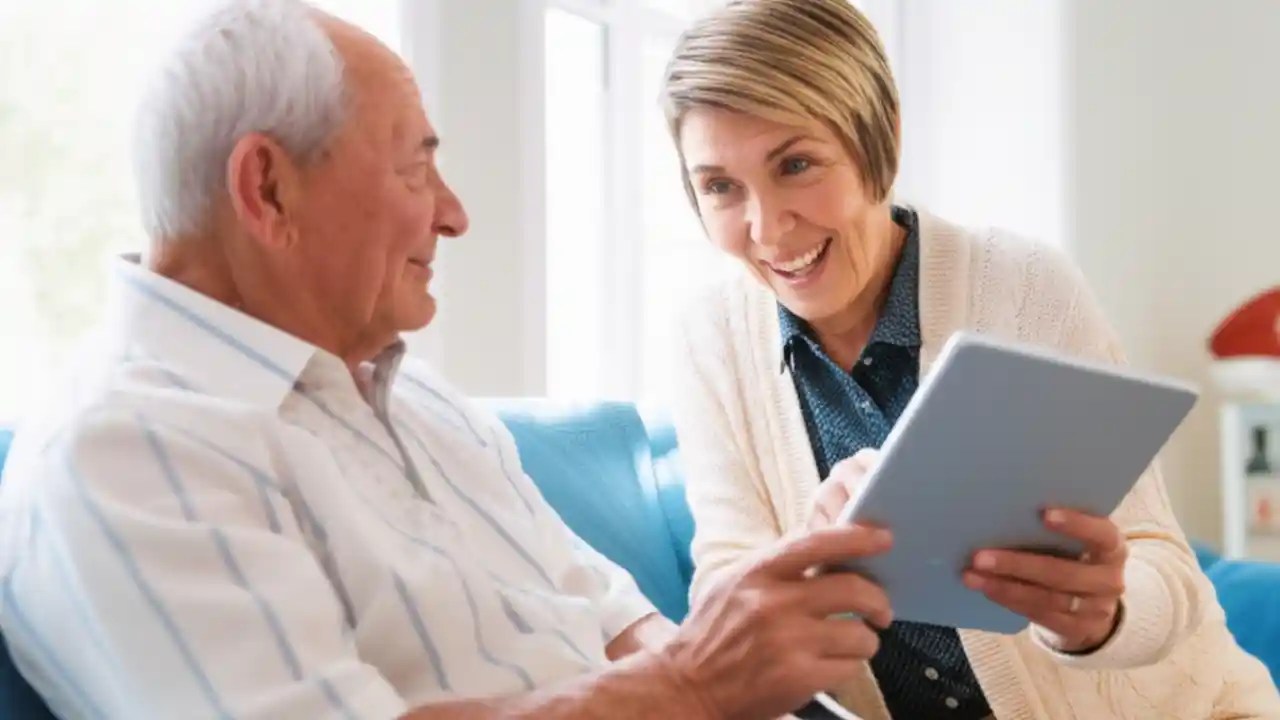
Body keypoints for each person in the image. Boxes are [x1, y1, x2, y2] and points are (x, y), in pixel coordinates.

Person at [0, 1, 897, 718]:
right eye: (414, 170)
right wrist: (695, 689)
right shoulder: (130, 452)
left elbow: (622, 626)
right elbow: (679, 677)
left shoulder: (414, 395)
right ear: (267, 188)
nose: (454, 213)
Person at [660, 1, 1280, 719]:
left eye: (796, 164)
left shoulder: (1021, 286)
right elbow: (725, 608)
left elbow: (1164, 569)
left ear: (881, 140)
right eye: (719, 187)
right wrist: (809, 562)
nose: (766, 229)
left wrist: (1100, 615)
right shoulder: (709, 340)